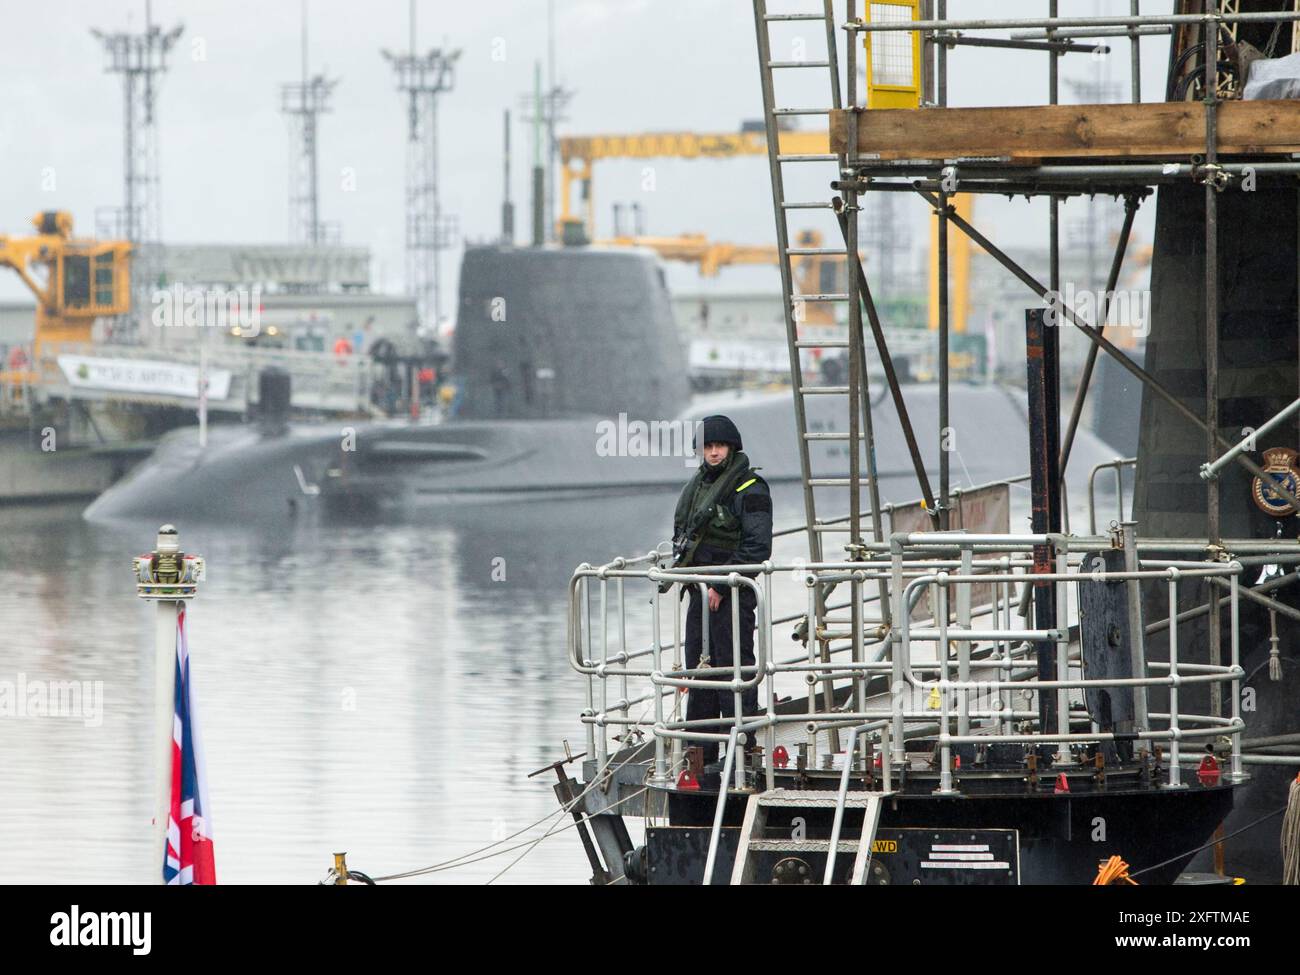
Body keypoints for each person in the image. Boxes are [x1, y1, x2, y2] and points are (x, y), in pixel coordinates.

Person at [671, 414, 773, 767]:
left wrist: (720, 583)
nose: (714, 453)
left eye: (720, 446)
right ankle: (699, 754)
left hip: (732, 594)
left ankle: (742, 752)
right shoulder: (697, 488)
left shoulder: (751, 488)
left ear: (731, 448)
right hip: (700, 594)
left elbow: (758, 548)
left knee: (733, 671)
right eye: (708, 447)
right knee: (699, 672)